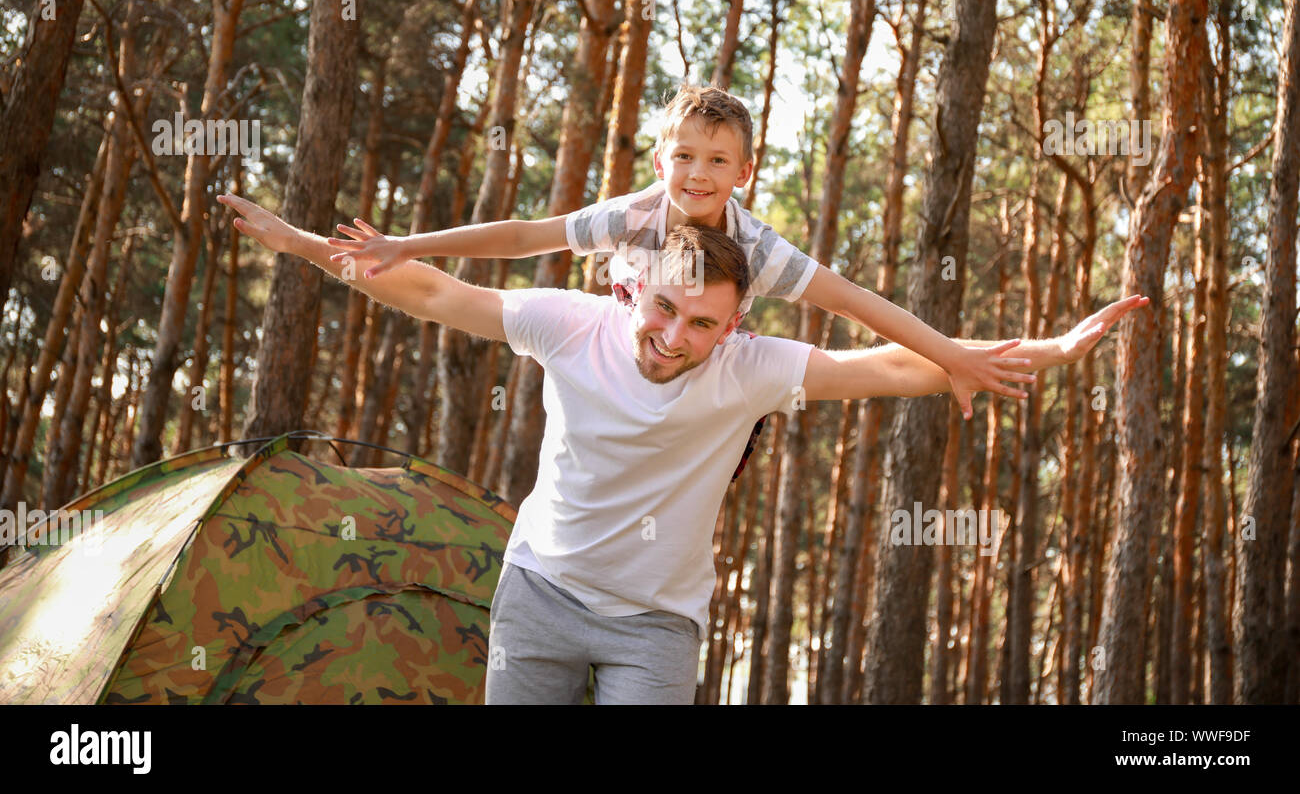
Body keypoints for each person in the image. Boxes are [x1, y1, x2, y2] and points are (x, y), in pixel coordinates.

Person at [218, 190, 1148, 704]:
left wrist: (1050, 351)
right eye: (664, 309)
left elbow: (896, 367)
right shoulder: (571, 325)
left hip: (655, 627)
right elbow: (431, 293)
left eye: (703, 324)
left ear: (735, 324)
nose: (674, 337)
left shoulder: (748, 369)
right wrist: (306, 247)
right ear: (633, 292)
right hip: (537, 593)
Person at [321, 84, 1030, 495]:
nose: (698, 174)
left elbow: (852, 302)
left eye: (719, 161)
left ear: (744, 173)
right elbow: (522, 237)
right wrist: (407, 245)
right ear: (660, 159)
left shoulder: (757, 250)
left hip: (706, 365)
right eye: (684, 156)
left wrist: (952, 356)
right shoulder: (631, 215)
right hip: (627, 343)